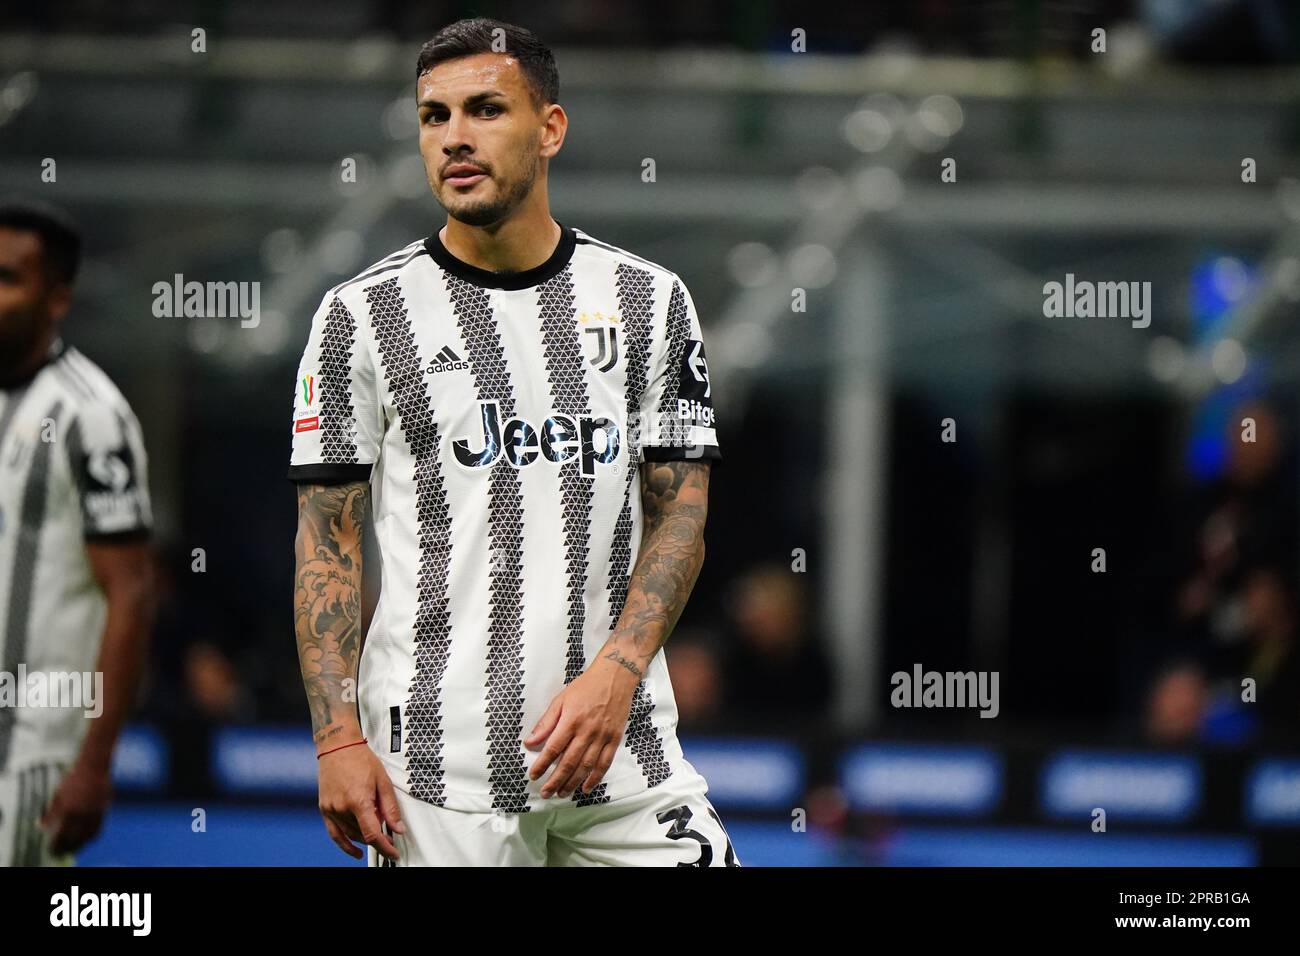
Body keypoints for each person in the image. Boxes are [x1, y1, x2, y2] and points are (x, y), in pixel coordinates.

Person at [288, 18, 738, 866]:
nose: (454, 136)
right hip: (434, 776)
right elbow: (328, 541)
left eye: (486, 109)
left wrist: (617, 670)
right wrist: (336, 739)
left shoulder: (650, 300)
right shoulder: (360, 315)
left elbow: (681, 513)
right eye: (433, 116)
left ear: (550, 129)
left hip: (623, 757)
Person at [0, 200, 154, 865]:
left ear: (56, 296)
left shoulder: (91, 417)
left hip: (30, 753)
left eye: (8, 278)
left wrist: (93, 763)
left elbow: (132, 592)